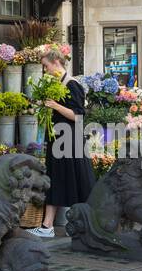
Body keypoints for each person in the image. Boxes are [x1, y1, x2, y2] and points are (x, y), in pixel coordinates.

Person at [30, 48, 94, 238]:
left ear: (56, 62)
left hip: (70, 140)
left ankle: (84, 224)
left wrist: (55, 105)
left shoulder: (72, 84)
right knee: (56, 178)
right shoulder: (58, 84)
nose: (45, 70)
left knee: (77, 181)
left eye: (46, 66)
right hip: (59, 139)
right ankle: (47, 226)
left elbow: (78, 116)